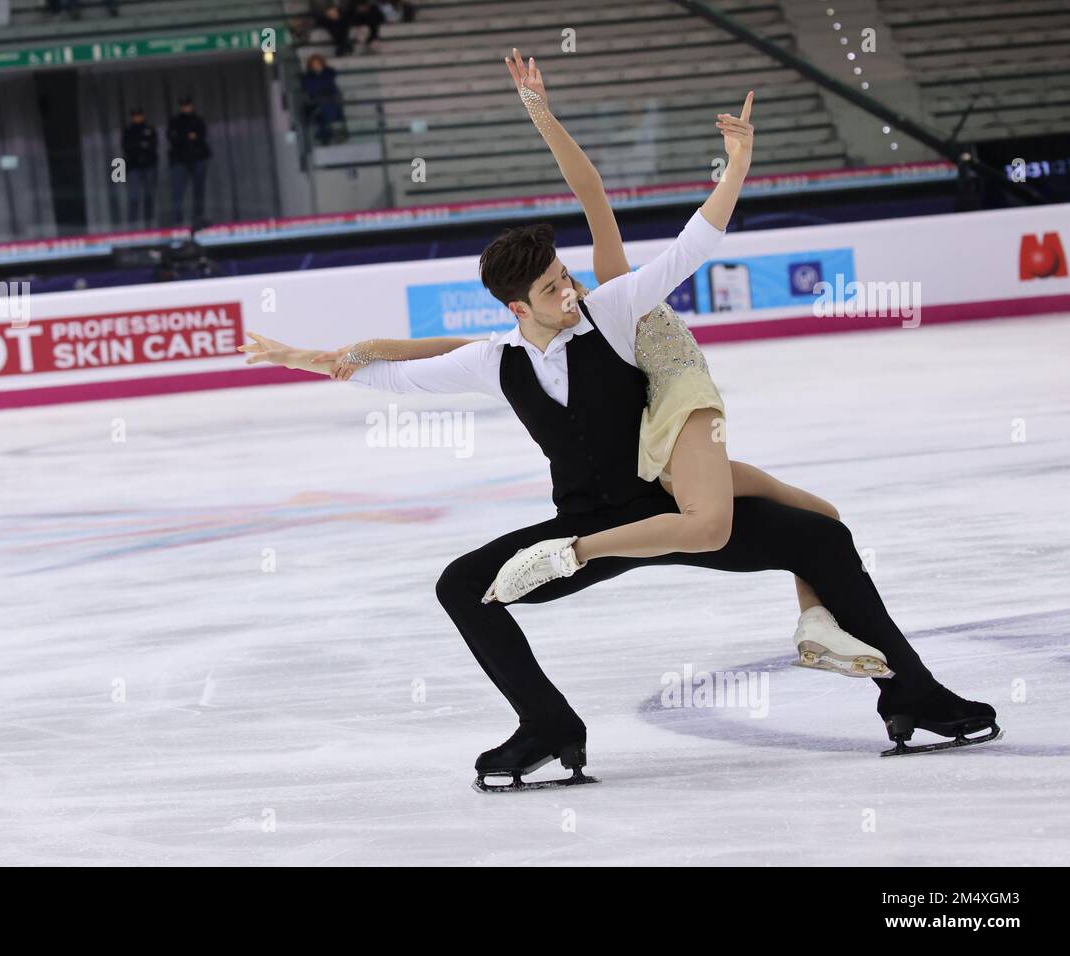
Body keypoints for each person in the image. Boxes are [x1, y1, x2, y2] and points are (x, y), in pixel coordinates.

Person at [238, 58, 1000, 786]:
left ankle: (913, 696)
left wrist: (734, 164)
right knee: (461, 586)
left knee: (825, 537)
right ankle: (548, 726)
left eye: (565, 278)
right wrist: (305, 359)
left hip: (664, 501)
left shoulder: (612, 309)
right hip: (587, 522)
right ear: (516, 308)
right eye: (550, 289)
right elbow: (398, 377)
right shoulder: (497, 358)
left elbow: (693, 243)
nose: (567, 293)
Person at [167, 97, 211, 227]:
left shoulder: (197, 120)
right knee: (178, 191)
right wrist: (187, 137)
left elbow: (201, 135)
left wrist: (188, 137)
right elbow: (173, 138)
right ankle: (177, 220)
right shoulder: (175, 121)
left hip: (198, 158)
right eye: (184, 105)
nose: (187, 108)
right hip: (180, 160)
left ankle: (198, 217)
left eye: (189, 105)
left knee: (199, 190)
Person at [121, 107, 158, 227]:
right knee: (133, 197)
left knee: (149, 196)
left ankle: (149, 224)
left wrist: (140, 147)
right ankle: (133, 225)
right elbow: (127, 148)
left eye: (139, 115)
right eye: (135, 115)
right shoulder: (128, 130)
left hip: (148, 166)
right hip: (133, 167)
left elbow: (152, 145)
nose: (137, 118)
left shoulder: (149, 128)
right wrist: (141, 146)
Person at [301, 54, 345, 146]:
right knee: (324, 110)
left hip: (330, 99)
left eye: (318, 63)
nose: (316, 66)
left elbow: (330, 87)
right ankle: (329, 133)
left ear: (322, 64)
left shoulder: (329, 74)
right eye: (314, 64)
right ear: (311, 66)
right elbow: (310, 90)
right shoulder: (308, 77)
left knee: (328, 109)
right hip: (317, 101)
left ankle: (327, 134)